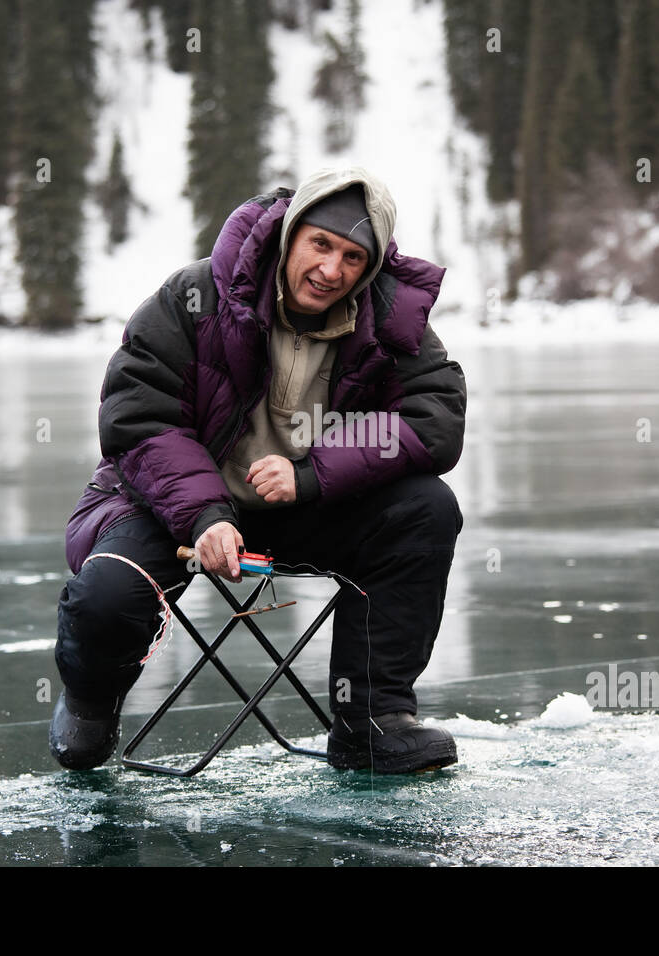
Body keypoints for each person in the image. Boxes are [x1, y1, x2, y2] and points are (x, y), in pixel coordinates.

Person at [50, 166, 466, 773]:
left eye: (353, 257)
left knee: (426, 509)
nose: (331, 270)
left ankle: (372, 722)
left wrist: (313, 472)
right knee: (108, 594)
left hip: (306, 509)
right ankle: (89, 703)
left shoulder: (391, 320)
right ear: (290, 234)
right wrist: (205, 516)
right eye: (321, 244)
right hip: (168, 506)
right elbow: (141, 421)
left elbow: (433, 421)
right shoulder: (195, 296)